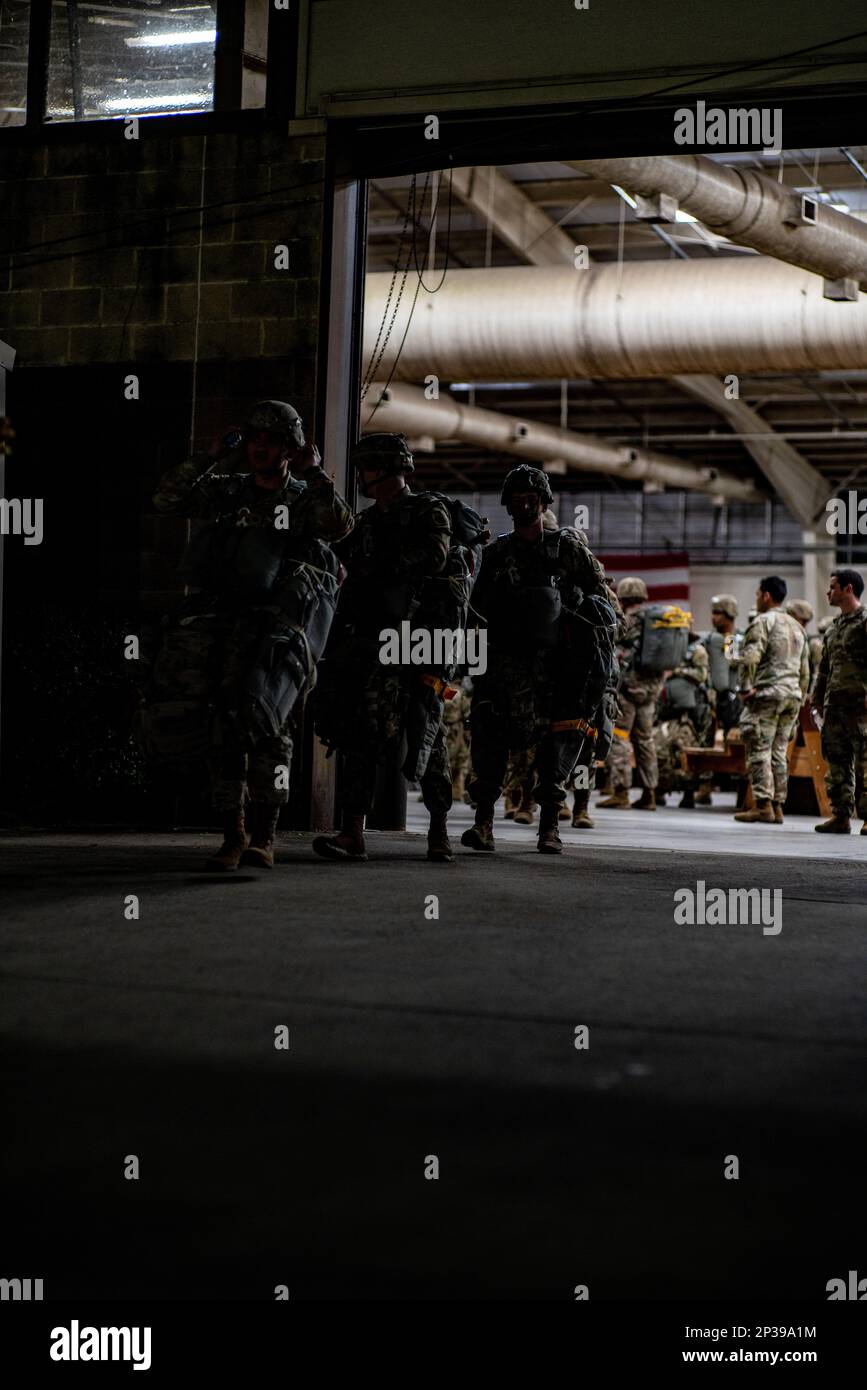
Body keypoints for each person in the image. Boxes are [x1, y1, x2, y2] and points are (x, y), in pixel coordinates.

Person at [147, 400, 353, 869]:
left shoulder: (303, 497)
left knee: (270, 731)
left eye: (272, 441)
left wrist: (317, 474)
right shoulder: (229, 490)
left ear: (290, 448)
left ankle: (266, 835)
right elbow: (167, 499)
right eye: (256, 439)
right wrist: (210, 455)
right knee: (222, 729)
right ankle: (232, 835)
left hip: (276, 632)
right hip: (222, 623)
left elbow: (339, 526)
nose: (261, 448)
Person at [312, 433, 481, 864]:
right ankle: (353, 832)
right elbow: (341, 549)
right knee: (362, 730)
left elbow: (435, 556)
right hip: (375, 640)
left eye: (367, 468)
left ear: (387, 468)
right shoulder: (367, 522)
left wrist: (378, 567)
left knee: (425, 730)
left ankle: (439, 830)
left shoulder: (429, 509)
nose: (362, 477)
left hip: (421, 640)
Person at [460, 465, 616, 855]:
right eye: (516, 499)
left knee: (558, 743)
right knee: (490, 735)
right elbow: (476, 610)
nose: (524, 504)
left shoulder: (567, 548)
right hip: (506, 663)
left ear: (544, 502)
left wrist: (595, 646)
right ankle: (483, 824)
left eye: (531, 498)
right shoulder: (496, 554)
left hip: (559, 664)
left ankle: (549, 827)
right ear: (507, 506)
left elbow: (602, 600)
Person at [732, 575, 809, 825]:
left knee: (759, 748)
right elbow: (805, 671)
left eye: (757, 594)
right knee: (778, 751)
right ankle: (777, 807)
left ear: (765, 595)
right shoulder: (797, 626)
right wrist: (799, 693)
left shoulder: (762, 622)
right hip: (792, 696)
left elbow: (749, 658)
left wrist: (744, 689)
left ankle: (762, 805)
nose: (756, 598)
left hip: (768, 695)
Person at [597, 576, 662, 810]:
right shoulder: (655, 621)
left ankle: (621, 792)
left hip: (628, 690)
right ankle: (650, 794)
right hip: (651, 692)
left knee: (620, 738)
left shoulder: (629, 620)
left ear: (622, 597)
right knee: (645, 741)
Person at [812, 568, 867, 834]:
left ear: (848, 589)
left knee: (865, 763)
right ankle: (841, 816)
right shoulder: (834, 628)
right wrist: (817, 698)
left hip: (861, 707)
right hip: (835, 706)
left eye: (832, 586)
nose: (828, 592)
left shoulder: (865, 621)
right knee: (837, 762)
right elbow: (824, 668)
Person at [654, 635, 711, 808]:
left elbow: (702, 675)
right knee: (660, 749)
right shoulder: (669, 651)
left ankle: (690, 793)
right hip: (668, 711)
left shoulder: (698, 650)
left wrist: (678, 672)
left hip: (690, 714)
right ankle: (659, 790)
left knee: (688, 751)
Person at [786, 599, 823, 698]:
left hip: (803, 696)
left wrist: (811, 697)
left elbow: (817, 673)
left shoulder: (813, 644)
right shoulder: (784, 640)